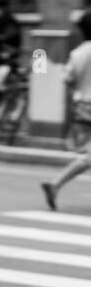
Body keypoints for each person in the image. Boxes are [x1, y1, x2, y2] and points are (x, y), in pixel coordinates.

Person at [41, 11, 91, 210]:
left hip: (83, 108)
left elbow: (68, 80)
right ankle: (55, 184)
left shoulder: (77, 53)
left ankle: (55, 185)